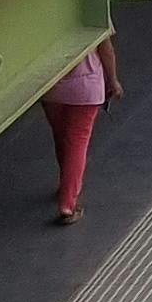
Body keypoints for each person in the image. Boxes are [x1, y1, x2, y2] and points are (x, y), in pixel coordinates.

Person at [42, 33, 123, 224]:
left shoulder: (46, 12)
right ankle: (68, 204)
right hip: (86, 88)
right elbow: (106, 49)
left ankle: (65, 185)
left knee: (61, 137)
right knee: (77, 144)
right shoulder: (93, 9)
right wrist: (113, 81)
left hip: (52, 87)